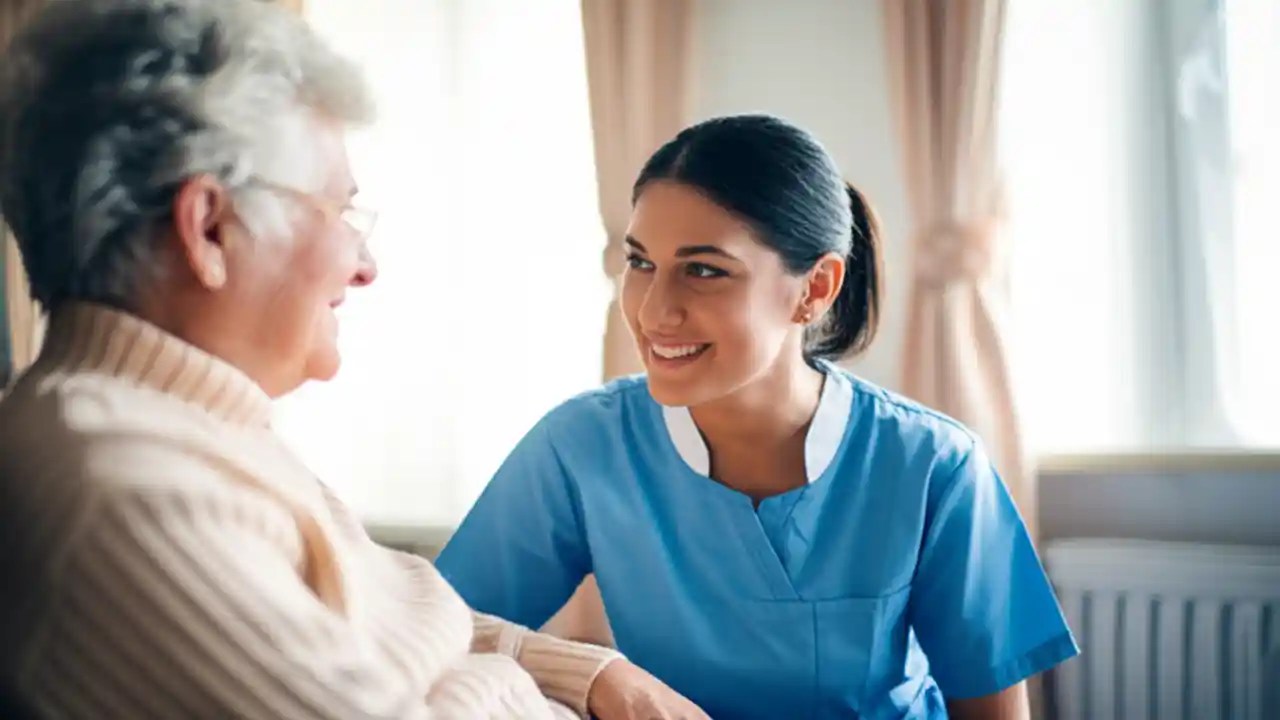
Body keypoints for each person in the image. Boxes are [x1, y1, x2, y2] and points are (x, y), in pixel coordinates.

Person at [0, 1, 698, 717]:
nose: (365, 264)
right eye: (338, 212)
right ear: (209, 228)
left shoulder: (201, 434)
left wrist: (585, 672)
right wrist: (517, 687)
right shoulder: (129, 490)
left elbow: (382, 610)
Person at [437, 114, 1080, 719]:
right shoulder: (582, 448)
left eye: (705, 270)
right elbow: (436, 632)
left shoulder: (933, 465)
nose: (655, 311)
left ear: (815, 288)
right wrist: (597, 674)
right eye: (640, 263)